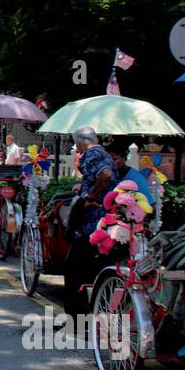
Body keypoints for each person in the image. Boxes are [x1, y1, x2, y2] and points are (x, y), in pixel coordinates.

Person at [62, 126, 122, 314]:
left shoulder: (91, 154)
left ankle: (77, 318)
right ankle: (93, 315)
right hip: (104, 221)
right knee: (92, 270)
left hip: (92, 224)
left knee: (74, 269)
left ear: (79, 142)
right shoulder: (102, 153)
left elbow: (105, 175)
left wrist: (90, 197)